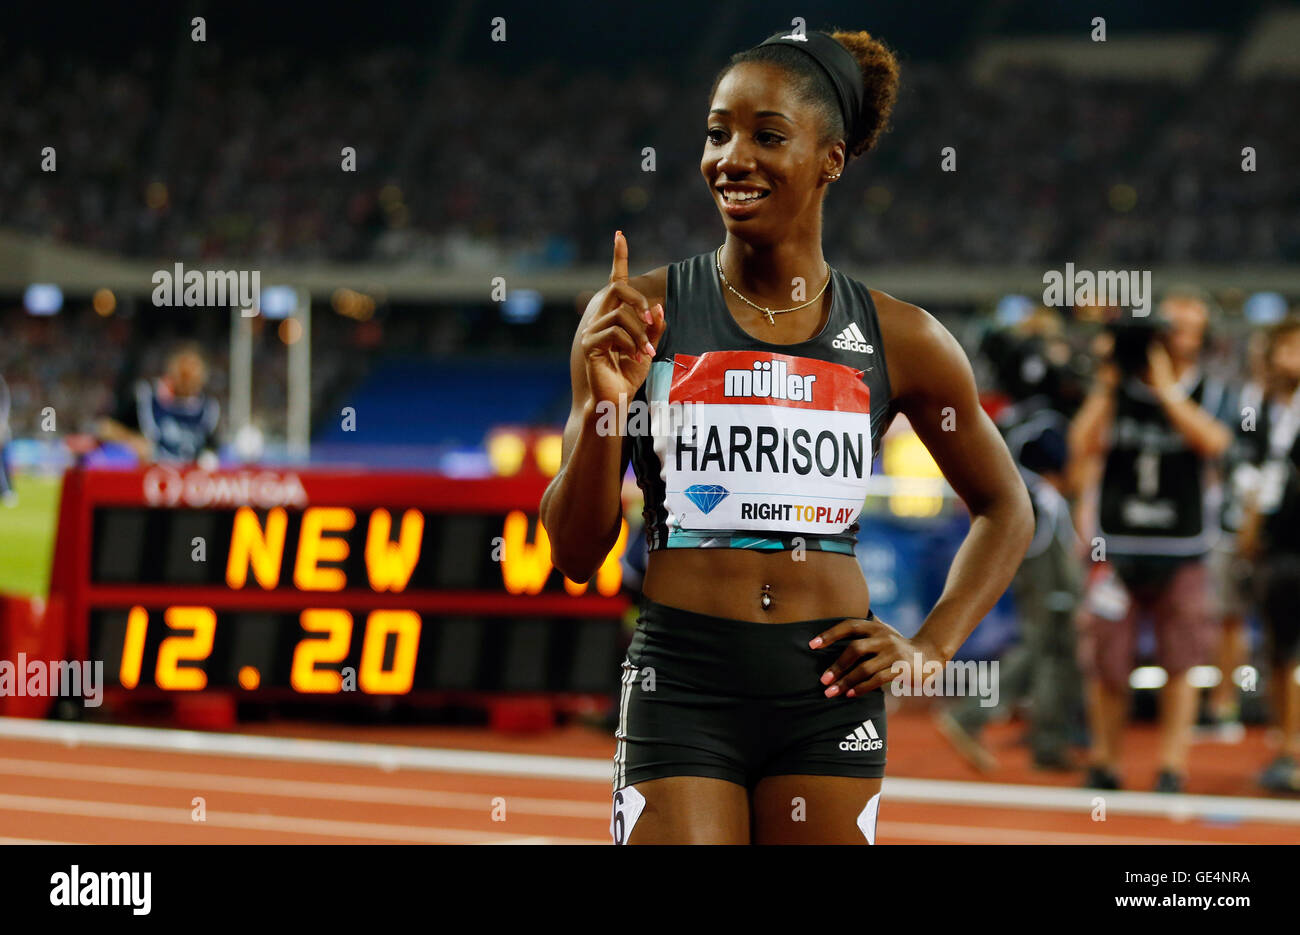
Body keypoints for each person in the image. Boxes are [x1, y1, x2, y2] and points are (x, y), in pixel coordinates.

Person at [540, 28, 1033, 845]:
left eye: (767, 136)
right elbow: (573, 552)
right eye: (716, 132)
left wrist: (932, 646)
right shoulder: (638, 315)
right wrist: (604, 408)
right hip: (683, 680)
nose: (732, 157)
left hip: (828, 694)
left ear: (831, 158)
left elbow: (1004, 506)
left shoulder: (901, 338)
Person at [1068, 289, 1232, 793]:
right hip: (1116, 548)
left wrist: (1166, 389)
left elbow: (1214, 442)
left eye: (1187, 327)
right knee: (1108, 662)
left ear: (1201, 339)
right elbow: (1082, 444)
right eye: (1169, 324)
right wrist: (1108, 383)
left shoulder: (1211, 390)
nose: (1175, 334)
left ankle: (1171, 767)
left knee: (1181, 661)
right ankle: (1106, 762)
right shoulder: (1116, 388)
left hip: (1182, 548)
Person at [936, 417, 1085, 772]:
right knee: (1041, 652)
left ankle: (1048, 740)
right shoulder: (1042, 497)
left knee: (1050, 654)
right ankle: (971, 714)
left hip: (1045, 585)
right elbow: (1047, 552)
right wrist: (1064, 592)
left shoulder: (1026, 489)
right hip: (1049, 587)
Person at [1237, 315, 1300, 793]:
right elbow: (1247, 465)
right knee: (1279, 650)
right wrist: (1250, 525)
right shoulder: (1256, 405)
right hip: (1276, 546)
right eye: (1286, 348)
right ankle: (1288, 748)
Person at [97, 343, 220, 465]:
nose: (187, 380)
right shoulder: (146, 401)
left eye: (192, 375)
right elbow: (105, 428)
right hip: (151, 474)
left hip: (189, 480)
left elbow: (213, 448)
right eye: (183, 374)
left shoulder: (207, 411)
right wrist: (132, 441)